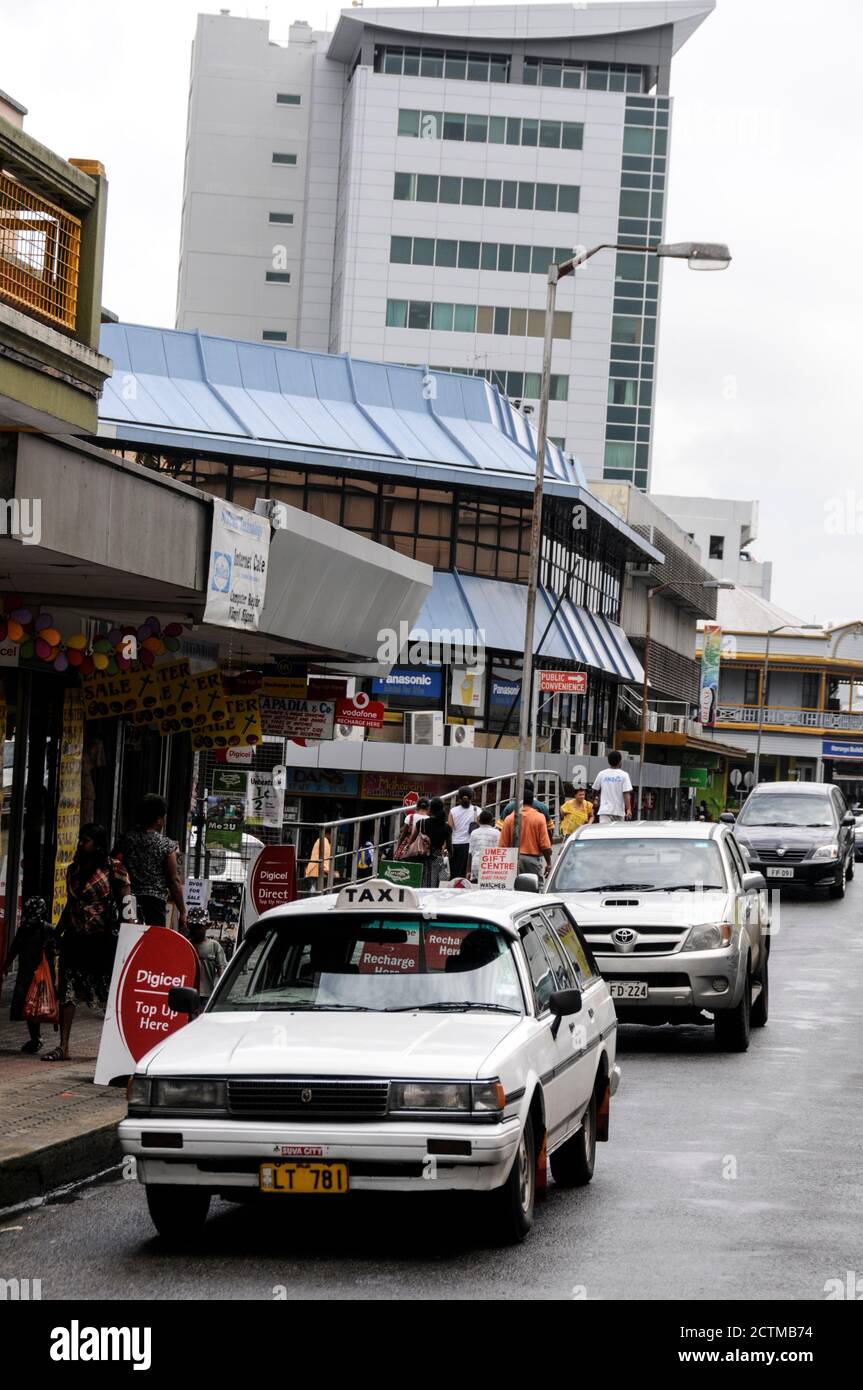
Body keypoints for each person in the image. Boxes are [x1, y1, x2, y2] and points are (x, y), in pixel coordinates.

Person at [43, 823, 132, 1062]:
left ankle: (114, 1048)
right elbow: (70, 905)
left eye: (86, 840)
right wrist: (57, 933)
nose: (81, 844)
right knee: (67, 993)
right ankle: (63, 1045)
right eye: (80, 839)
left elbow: (127, 906)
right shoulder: (73, 869)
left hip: (103, 941)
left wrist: (130, 937)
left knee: (108, 996)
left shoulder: (115, 869)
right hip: (75, 938)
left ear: (99, 844)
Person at [113, 793, 187, 930]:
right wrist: (183, 911)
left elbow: (114, 864)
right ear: (158, 819)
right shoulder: (165, 845)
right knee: (152, 944)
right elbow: (173, 881)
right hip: (154, 904)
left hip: (127, 900)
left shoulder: (126, 839)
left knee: (127, 942)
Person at [3, 896, 55, 1054]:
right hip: (26, 973)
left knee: (36, 1006)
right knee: (28, 1006)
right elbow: (14, 949)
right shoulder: (24, 929)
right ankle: (35, 1037)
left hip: (40, 974)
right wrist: (5, 966)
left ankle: (37, 1038)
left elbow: (55, 950)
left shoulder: (46, 929)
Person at [498, 787, 552, 879]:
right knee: (534, 889)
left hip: (512, 860)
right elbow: (545, 846)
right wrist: (549, 863)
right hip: (533, 860)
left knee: (514, 890)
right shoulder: (539, 818)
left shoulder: (509, 819)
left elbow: (502, 846)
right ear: (532, 802)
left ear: (518, 801)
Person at [406, 796, 452, 887]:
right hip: (437, 858)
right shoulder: (446, 827)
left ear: (430, 808)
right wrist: (449, 854)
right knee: (433, 883)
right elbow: (450, 847)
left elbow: (411, 841)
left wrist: (407, 849)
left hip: (420, 857)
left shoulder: (421, 823)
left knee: (418, 881)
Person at [188, 909, 226, 1004]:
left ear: (207, 926)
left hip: (207, 995)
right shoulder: (187, 945)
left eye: (199, 927)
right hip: (189, 992)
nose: (196, 930)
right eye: (193, 926)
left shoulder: (214, 946)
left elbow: (221, 971)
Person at [591, 750, 633, 824]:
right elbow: (626, 793)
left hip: (605, 811)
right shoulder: (624, 775)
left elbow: (595, 790)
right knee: (617, 834)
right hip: (619, 812)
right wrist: (628, 809)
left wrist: (595, 800)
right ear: (620, 761)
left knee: (605, 834)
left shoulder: (602, 774)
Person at [448, 787, 478, 879]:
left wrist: (446, 845)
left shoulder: (453, 811)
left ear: (459, 797)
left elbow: (449, 829)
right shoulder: (476, 810)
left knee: (454, 871)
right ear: (471, 797)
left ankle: (453, 889)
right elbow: (478, 827)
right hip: (468, 845)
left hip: (454, 844)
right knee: (465, 872)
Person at [468, 809, 500, 881]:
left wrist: (468, 871)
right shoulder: (497, 833)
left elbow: (470, 853)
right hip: (491, 867)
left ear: (479, 821)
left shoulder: (474, 833)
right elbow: (499, 851)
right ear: (491, 821)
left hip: (476, 866)